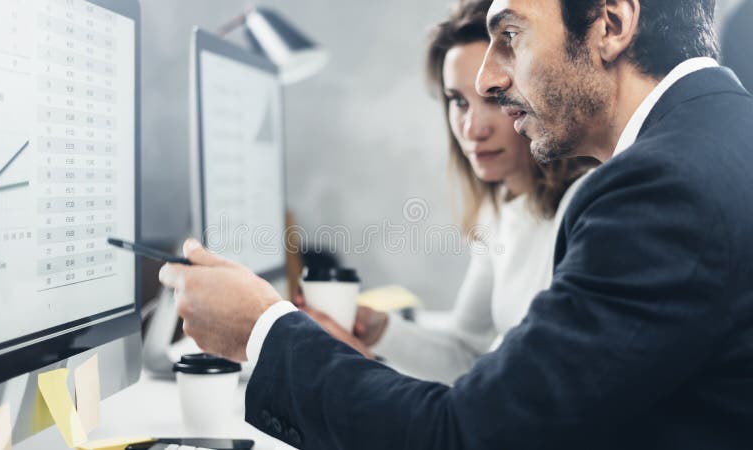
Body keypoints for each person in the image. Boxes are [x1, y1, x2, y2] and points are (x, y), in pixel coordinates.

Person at [160, 0, 753, 448]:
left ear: (610, 24)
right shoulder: (721, 137)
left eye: (511, 36)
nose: (489, 81)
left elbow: (465, 436)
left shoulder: (658, 190)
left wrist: (262, 329)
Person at [297, 0, 595, 385]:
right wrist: (375, 327)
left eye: (491, 99)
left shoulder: (584, 204)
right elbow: (465, 354)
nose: (472, 128)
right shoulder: (498, 214)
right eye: (458, 101)